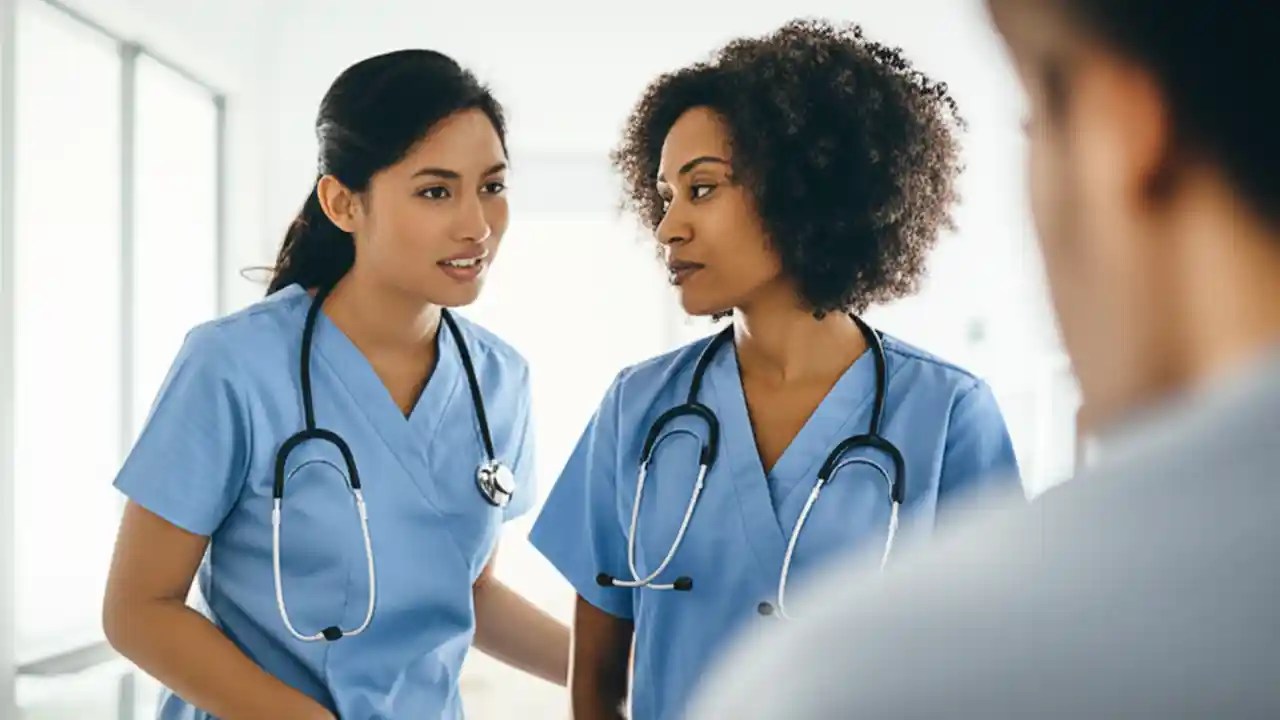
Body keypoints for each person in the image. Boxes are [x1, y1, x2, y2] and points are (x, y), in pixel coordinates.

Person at [687, 1, 1280, 717]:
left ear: (1115, 132)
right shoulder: (642, 401)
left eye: (1036, 123)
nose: (669, 225)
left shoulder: (852, 681)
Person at [528, 19, 1023, 720]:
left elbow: (994, 676)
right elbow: (597, 684)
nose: (669, 227)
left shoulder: (948, 416)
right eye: (665, 196)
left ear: (803, 186)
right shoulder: (637, 409)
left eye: (702, 190)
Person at [101, 49, 568, 719]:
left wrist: (624, 674)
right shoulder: (234, 365)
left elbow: (466, 592)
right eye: (436, 191)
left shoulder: (500, 379)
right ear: (343, 203)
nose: (478, 225)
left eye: (491, 186)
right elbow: (138, 609)